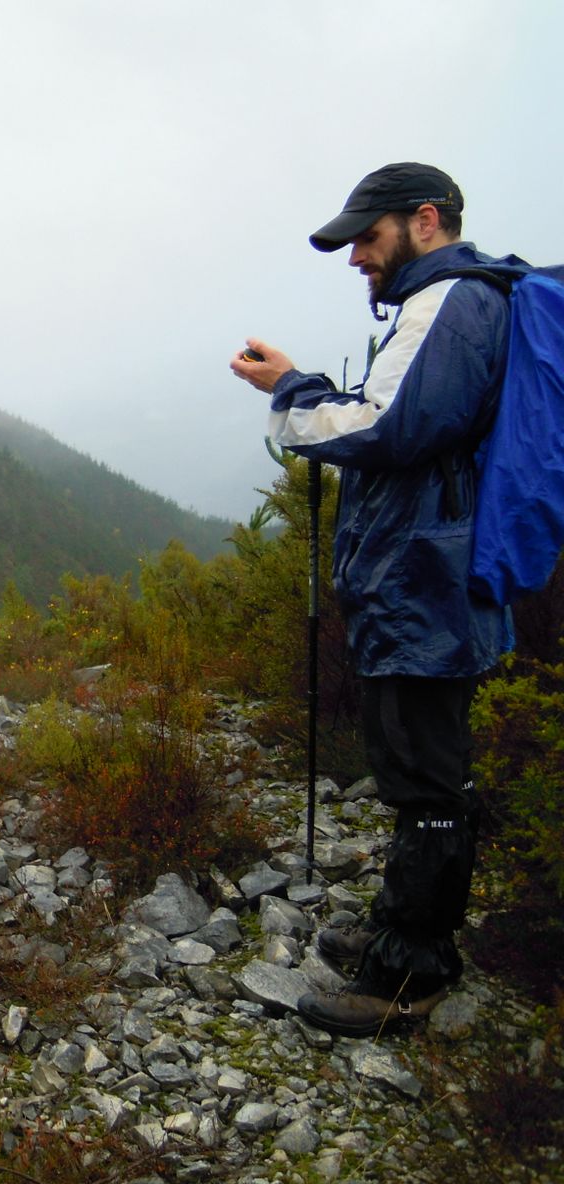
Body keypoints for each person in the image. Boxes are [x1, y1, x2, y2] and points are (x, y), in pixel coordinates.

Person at [228, 162, 521, 1038]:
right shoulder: (455, 302)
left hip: (426, 586)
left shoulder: (453, 303)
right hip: (426, 579)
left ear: (424, 220)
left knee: (425, 777)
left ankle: (410, 975)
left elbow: (387, 427)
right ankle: (403, 930)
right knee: (417, 768)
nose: (357, 254)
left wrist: (290, 394)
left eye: (368, 235)